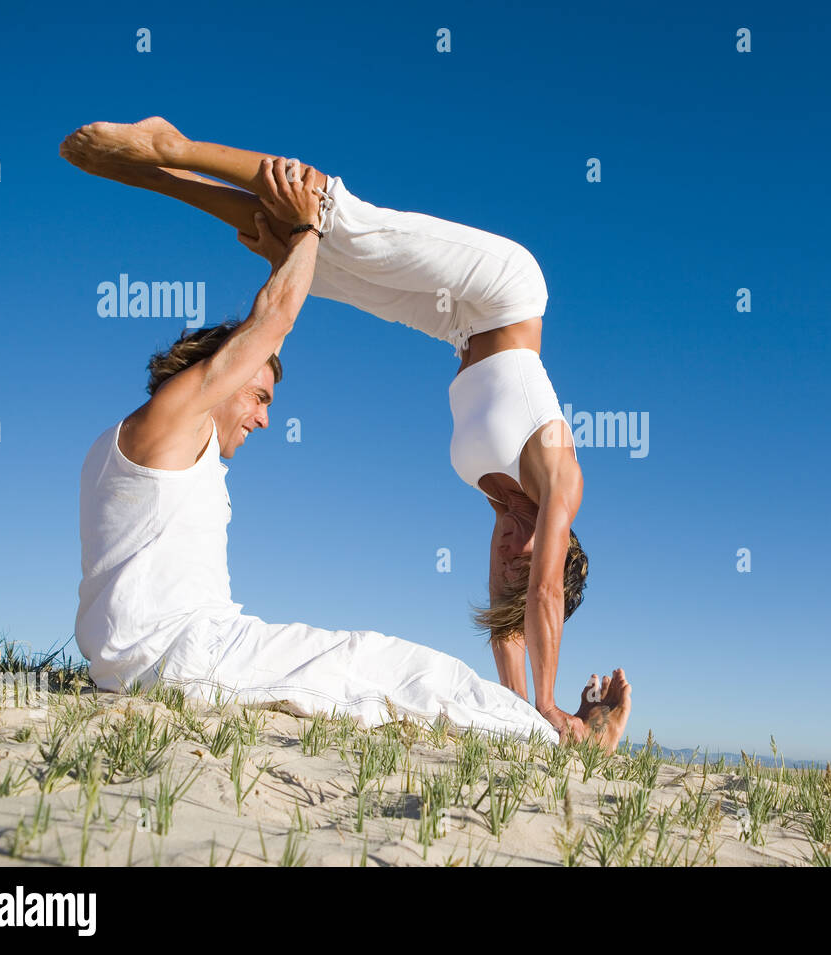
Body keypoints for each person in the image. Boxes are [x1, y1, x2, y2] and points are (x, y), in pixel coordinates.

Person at [62, 119, 630, 749]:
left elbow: (511, 626)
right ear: (557, 538)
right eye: (520, 560)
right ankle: (172, 147)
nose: (504, 556)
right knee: (348, 225)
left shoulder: (496, 499)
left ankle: (154, 178)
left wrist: (529, 713)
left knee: (294, 253)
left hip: (454, 326)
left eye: (505, 575)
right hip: (506, 294)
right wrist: (549, 702)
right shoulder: (560, 478)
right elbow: (545, 591)